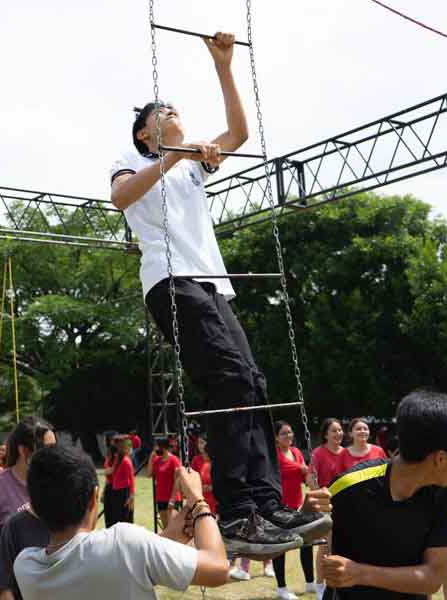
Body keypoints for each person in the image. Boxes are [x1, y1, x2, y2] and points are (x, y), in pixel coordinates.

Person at [110, 30, 330, 558]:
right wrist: (168, 158)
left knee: (252, 383)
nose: (173, 114)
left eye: (175, 109)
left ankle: (266, 501)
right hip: (171, 282)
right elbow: (119, 196)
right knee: (229, 380)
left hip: (210, 285)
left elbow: (238, 130)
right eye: (162, 113)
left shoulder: (191, 166)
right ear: (145, 134)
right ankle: (235, 513)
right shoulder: (137, 160)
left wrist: (224, 64)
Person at [14, 444, 233, 599]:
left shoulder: (25, 566)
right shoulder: (123, 543)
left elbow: (115, 567)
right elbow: (218, 568)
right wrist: (198, 501)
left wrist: (165, 540)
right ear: (94, 497)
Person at [322, 389, 447, 599]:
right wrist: (306, 513)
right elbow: (296, 536)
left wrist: (361, 573)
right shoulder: (348, 486)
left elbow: (434, 577)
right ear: (441, 459)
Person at [0, 416, 56, 600]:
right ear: (23, 450)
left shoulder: (59, 485)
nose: (54, 456)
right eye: (47, 449)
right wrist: (3, 586)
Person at [272, 421, 315, 600]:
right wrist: (304, 469)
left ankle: (310, 582)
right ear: (275, 437)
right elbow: (297, 469)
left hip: (298, 505)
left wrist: (307, 473)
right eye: (284, 433)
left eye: (290, 433)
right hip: (279, 506)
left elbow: (304, 475)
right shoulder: (273, 454)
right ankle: (281, 588)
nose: (288, 436)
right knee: (280, 548)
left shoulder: (296, 452)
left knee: (306, 543)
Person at [307, 418, 344, 599]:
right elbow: (310, 478)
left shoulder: (346, 453)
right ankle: (320, 585)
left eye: (340, 430)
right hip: (326, 506)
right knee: (326, 546)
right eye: (334, 431)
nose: (338, 434)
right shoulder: (318, 453)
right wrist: (319, 494)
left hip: (346, 505)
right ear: (325, 434)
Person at [147, 437, 182, 528]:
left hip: (172, 498)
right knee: (165, 527)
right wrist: (151, 459)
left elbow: (177, 480)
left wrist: (172, 499)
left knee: (173, 527)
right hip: (161, 497)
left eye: (157, 447)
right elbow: (149, 474)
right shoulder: (157, 460)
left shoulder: (174, 460)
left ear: (164, 447)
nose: (155, 449)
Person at [110, 435, 136, 524]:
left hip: (124, 492)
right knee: (117, 518)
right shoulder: (116, 459)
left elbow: (131, 479)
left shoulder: (126, 460)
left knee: (125, 519)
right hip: (116, 491)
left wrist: (131, 496)